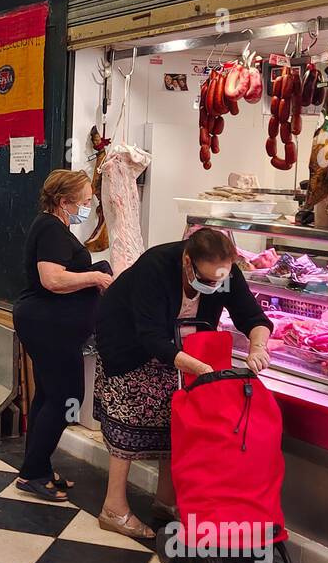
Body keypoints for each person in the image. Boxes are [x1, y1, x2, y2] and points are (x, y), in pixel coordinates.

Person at [94, 225, 273, 539]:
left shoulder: (224, 271)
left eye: (220, 280)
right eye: (206, 280)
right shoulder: (156, 266)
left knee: (176, 421)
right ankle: (114, 507)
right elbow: (150, 336)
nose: (215, 285)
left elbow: (253, 316)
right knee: (129, 420)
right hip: (129, 344)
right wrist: (200, 367)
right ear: (188, 261)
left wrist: (258, 347)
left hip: (186, 349)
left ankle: (166, 501)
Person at [13, 169, 112, 502]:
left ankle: (37, 466)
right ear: (63, 201)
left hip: (48, 324)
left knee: (48, 395)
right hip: (48, 324)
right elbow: (52, 279)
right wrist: (96, 278)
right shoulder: (52, 229)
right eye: (84, 201)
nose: (88, 206)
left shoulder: (54, 226)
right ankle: (31, 474)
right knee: (66, 396)